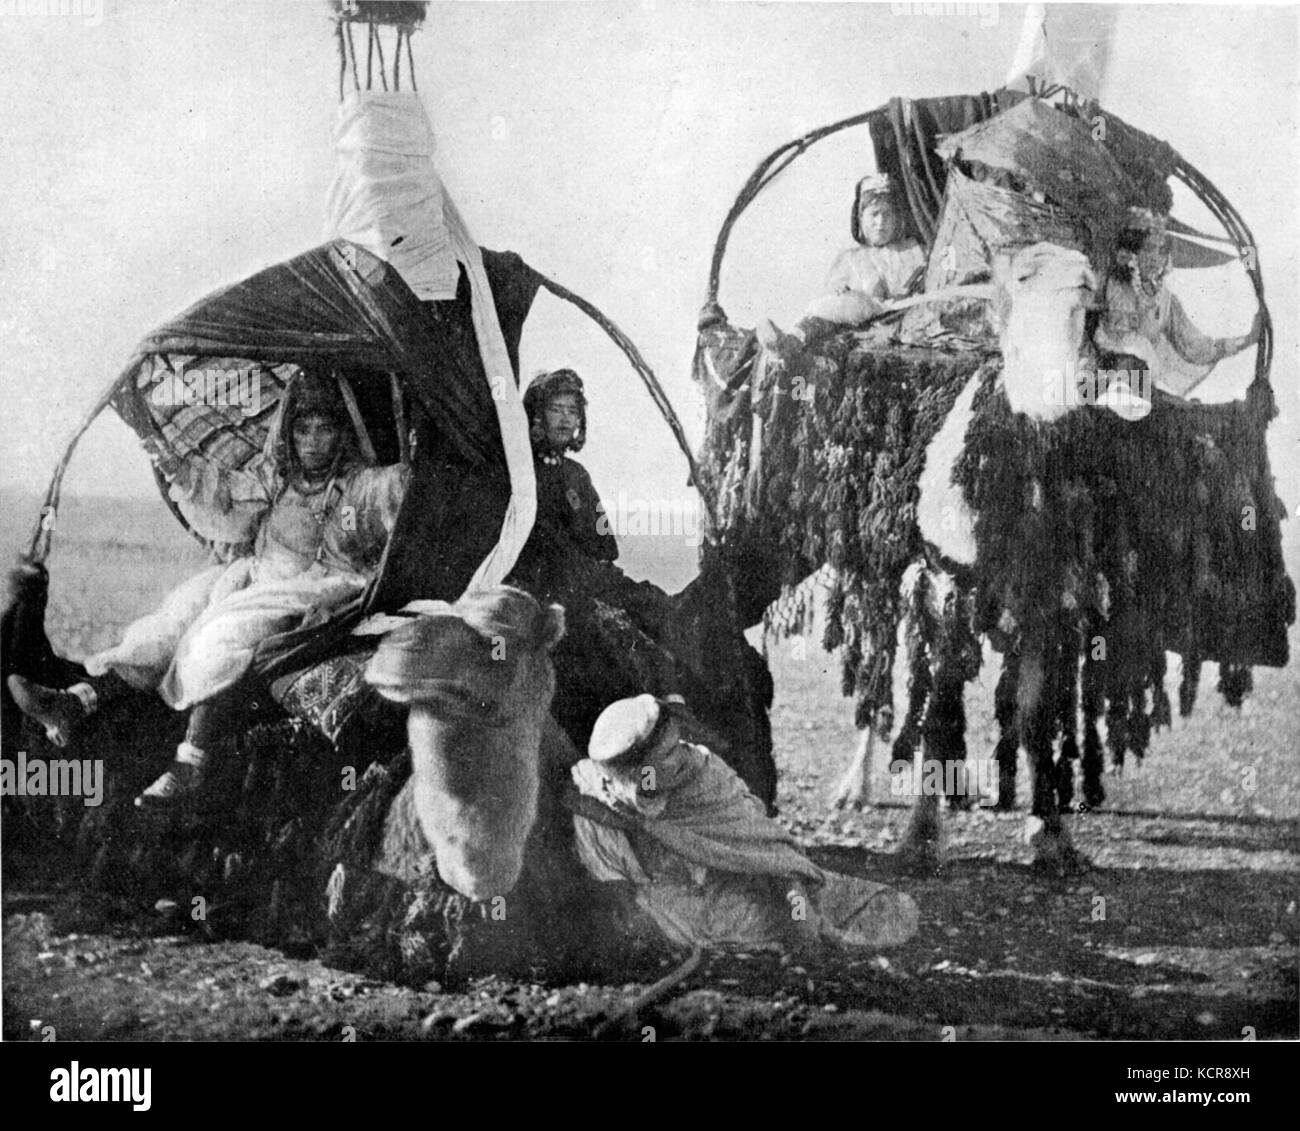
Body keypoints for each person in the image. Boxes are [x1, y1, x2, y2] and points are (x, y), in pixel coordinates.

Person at [8, 367, 410, 808]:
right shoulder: (275, 479)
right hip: (256, 573)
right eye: (303, 430)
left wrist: (413, 459)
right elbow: (222, 498)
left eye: (325, 429)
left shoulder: (359, 484)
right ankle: (77, 701)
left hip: (317, 586)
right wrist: (160, 449)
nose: (312, 441)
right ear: (290, 435)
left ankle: (191, 763)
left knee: (219, 637)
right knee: (173, 616)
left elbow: (398, 490)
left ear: (341, 433)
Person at [569, 694, 919, 950]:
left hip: (751, 885)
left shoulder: (704, 777)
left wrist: (803, 919)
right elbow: (620, 895)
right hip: (676, 908)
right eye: (669, 753)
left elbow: (772, 859)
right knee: (760, 920)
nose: (685, 754)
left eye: (680, 743)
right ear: (638, 774)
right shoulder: (593, 808)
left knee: (881, 906)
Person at [1093, 207, 1262, 402]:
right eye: (1149, 248)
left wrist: (1244, 341)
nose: (1156, 259)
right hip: (1097, 377)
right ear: (1134, 252)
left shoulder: (1166, 300)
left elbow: (1194, 345)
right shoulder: (1111, 283)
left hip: (1139, 384)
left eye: (1162, 251)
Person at [758, 172, 927, 350]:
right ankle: (791, 341)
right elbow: (830, 292)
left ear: (898, 217)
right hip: (862, 322)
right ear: (860, 218)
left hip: (906, 317)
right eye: (874, 214)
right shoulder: (851, 258)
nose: (881, 222)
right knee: (835, 306)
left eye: (888, 214)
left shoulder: (915, 251)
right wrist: (837, 290)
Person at [522, 368, 619, 563]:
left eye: (573, 411)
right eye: (556, 409)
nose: (565, 418)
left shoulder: (577, 474)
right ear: (537, 416)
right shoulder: (520, 470)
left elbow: (606, 547)